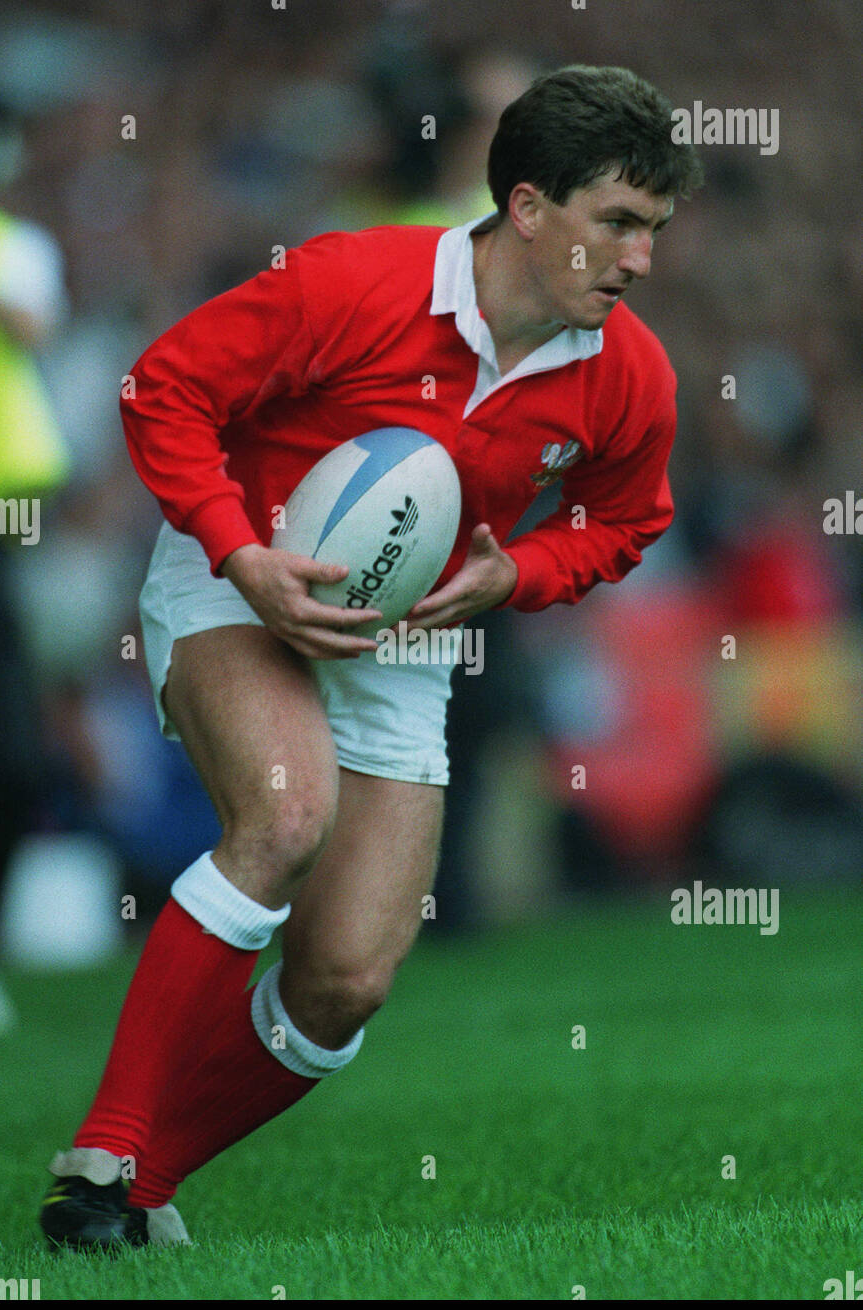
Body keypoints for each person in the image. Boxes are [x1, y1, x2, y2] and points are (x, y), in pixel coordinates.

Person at [39, 64, 702, 1248]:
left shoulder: (629, 374)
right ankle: (102, 1154)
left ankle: (138, 1190)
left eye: (652, 230)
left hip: (404, 643)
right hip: (237, 578)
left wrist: (520, 576)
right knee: (284, 821)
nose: (638, 258)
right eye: (616, 223)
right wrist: (243, 554)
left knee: (345, 980)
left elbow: (627, 519)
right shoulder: (354, 279)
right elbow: (165, 389)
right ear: (528, 205)